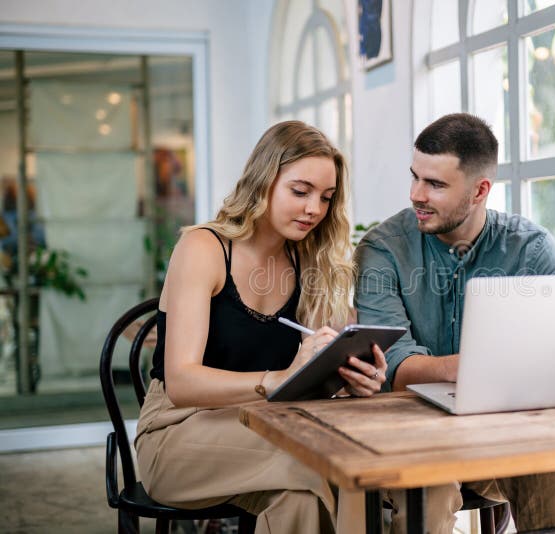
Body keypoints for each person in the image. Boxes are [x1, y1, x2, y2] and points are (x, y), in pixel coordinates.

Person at [135, 121, 388, 534]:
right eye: (300, 191)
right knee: (324, 461)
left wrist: (348, 377)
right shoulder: (203, 248)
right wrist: (277, 380)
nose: (314, 210)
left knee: (301, 497)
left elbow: (306, 376)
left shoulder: (310, 261)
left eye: (325, 198)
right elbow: (181, 383)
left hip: (265, 426)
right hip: (178, 432)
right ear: (262, 181)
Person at [354, 113, 555, 533]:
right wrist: (472, 365)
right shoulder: (382, 250)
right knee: (427, 483)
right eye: (415, 177)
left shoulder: (531, 252)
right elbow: (395, 368)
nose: (416, 194)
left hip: (500, 440)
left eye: (435, 184)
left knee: (546, 459)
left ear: (479, 191)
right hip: (409, 438)